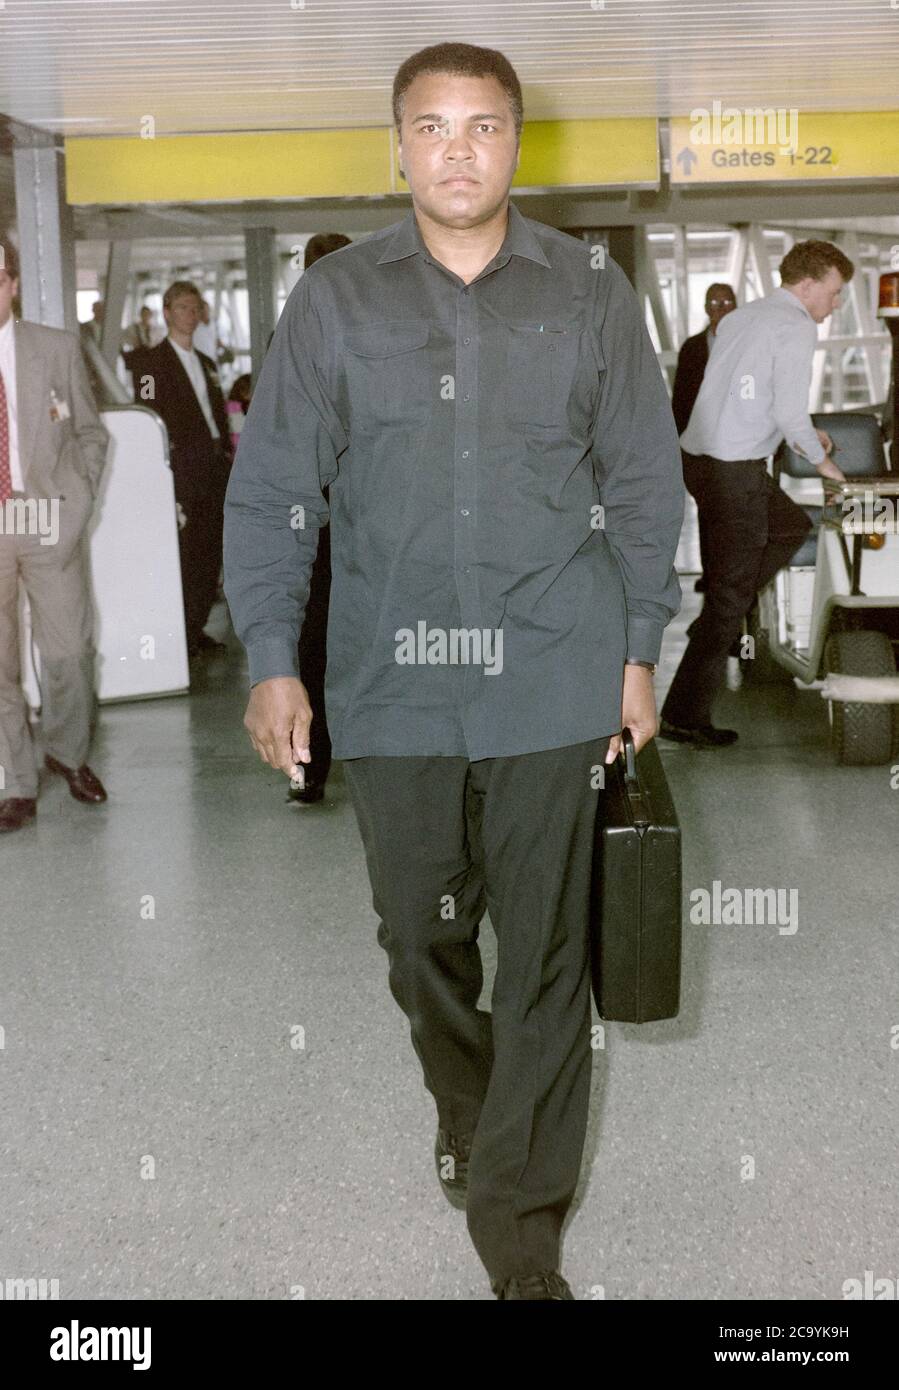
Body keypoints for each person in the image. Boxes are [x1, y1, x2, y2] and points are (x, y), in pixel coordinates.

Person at [223, 42, 683, 1301]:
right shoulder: (334, 302)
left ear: (515, 144)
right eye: (432, 127)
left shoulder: (591, 294)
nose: (458, 150)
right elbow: (272, 493)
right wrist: (272, 658)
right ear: (399, 145)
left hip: (556, 673)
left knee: (545, 959)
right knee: (420, 942)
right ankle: (465, 1099)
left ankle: (517, 1234)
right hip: (395, 685)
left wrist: (639, 651)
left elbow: (644, 486)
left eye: (483, 127)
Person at [660, 240, 853, 749]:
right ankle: (683, 714)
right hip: (734, 471)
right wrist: (826, 465)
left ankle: (727, 600)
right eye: (834, 293)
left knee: (791, 526)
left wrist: (808, 433)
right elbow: (787, 409)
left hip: (701, 462)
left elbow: (748, 392)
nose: (835, 304)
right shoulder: (795, 325)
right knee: (729, 600)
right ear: (808, 284)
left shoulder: (745, 317)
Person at [0, 242, 110, 833]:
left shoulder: (56, 348)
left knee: (67, 651)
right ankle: (17, 782)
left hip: (44, 515)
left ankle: (66, 755)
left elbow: (92, 433)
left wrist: (78, 503)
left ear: (11, 283)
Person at [131, 280, 232, 660]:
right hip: (181, 472)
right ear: (167, 311)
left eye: (196, 307)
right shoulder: (148, 364)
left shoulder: (207, 364)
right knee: (186, 553)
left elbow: (217, 414)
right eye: (184, 307)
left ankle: (196, 625)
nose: (191, 314)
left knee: (210, 551)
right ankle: (180, 630)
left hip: (214, 468)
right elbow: (144, 414)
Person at [286, 232, 351, 807]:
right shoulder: (290, 340)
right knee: (313, 644)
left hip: (370, 521)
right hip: (315, 521)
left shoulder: (380, 333)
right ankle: (310, 762)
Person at [671, 283, 737, 592]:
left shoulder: (745, 345)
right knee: (708, 511)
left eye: (726, 302)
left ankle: (729, 575)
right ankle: (711, 575)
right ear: (707, 307)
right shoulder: (693, 348)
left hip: (737, 448)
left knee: (734, 514)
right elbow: (680, 400)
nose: (721, 308)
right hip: (699, 447)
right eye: (715, 302)